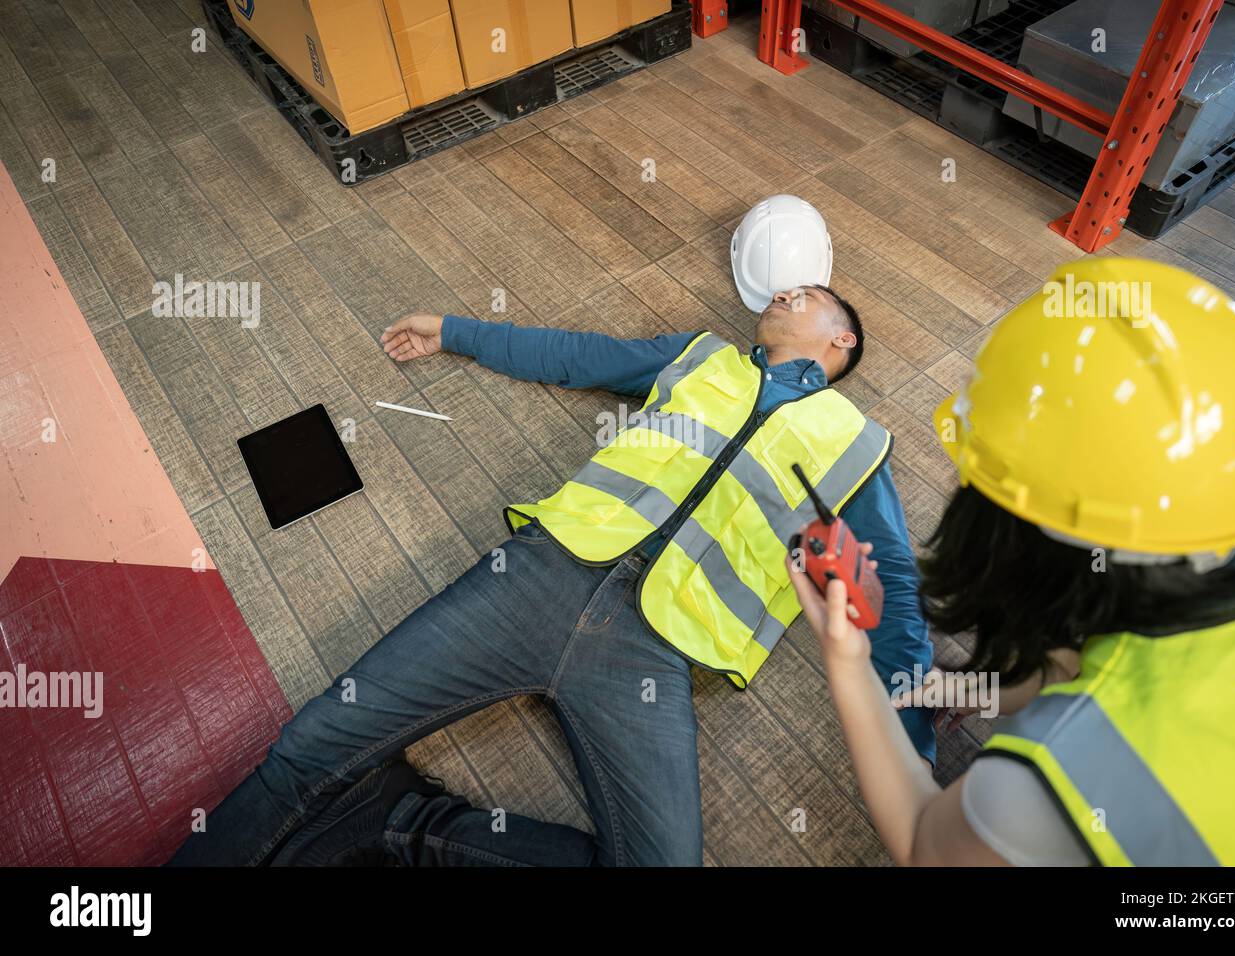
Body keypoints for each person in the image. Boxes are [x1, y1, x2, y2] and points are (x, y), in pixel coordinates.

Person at [170, 284, 935, 867]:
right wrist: (460, 332)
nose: (779, 295)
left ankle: (407, 826)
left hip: (651, 658)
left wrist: (915, 763)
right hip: (536, 578)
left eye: (800, 295)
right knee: (311, 744)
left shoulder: (856, 443)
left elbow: (896, 600)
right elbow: (583, 356)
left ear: (843, 338)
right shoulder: (701, 357)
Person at [788, 257, 1235, 866]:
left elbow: (925, 841)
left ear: (1013, 538)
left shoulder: (1049, 782)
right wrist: (967, 688)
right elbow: (1097, 662)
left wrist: (847, 662)